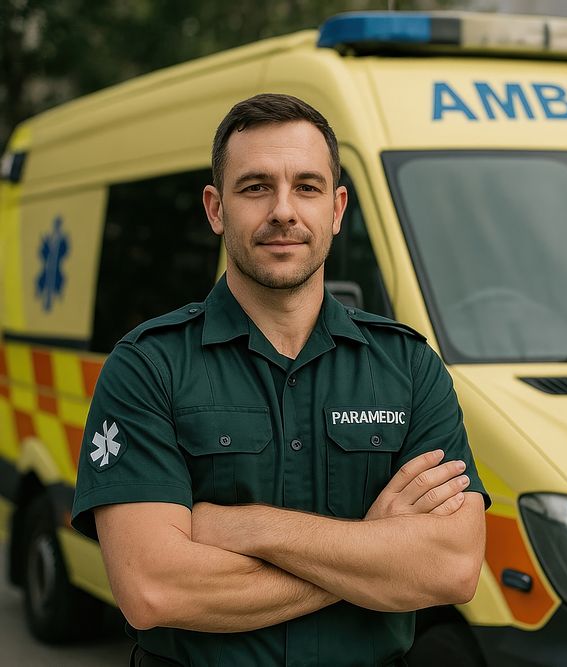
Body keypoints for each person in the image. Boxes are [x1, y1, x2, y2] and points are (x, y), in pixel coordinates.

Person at [71, 93, 490, 666]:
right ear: (216, 209)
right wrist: (375, 550)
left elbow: (452, 568)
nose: (284, 211)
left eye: (308, 187)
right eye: (256, 187)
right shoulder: (148, 366)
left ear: (338, 209)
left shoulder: (410, 368)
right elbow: (154, 590)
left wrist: (250, 527)